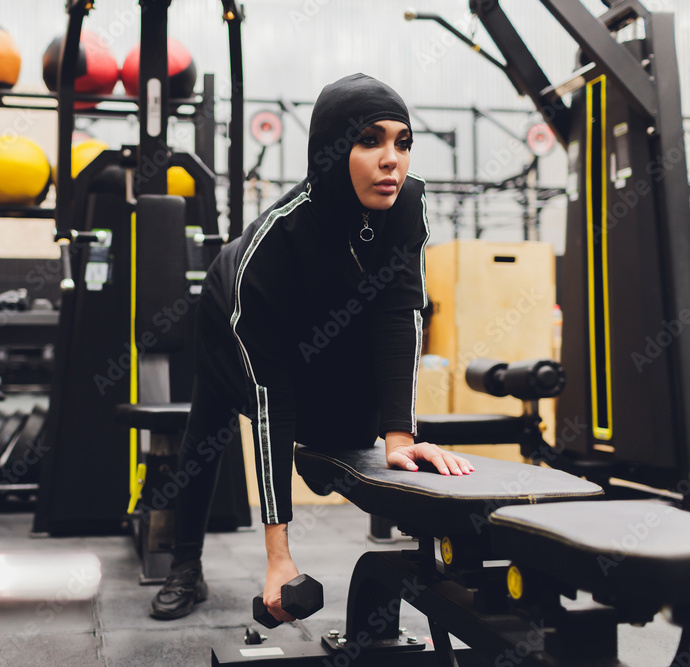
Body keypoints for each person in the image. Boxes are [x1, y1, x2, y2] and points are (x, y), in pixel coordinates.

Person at [149, 73, 474, 622]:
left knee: (346, 424)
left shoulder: (408, 202)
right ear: (329, 151)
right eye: (369, 140)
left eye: (402, 141)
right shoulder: (275, 245)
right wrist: (279, 557)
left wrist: (401, 437)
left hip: (323, 322)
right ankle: (185, 565)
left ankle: (317, 455)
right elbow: (272, 398)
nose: (392, 159)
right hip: (229, 311)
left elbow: (398, 314)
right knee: (210, 428)